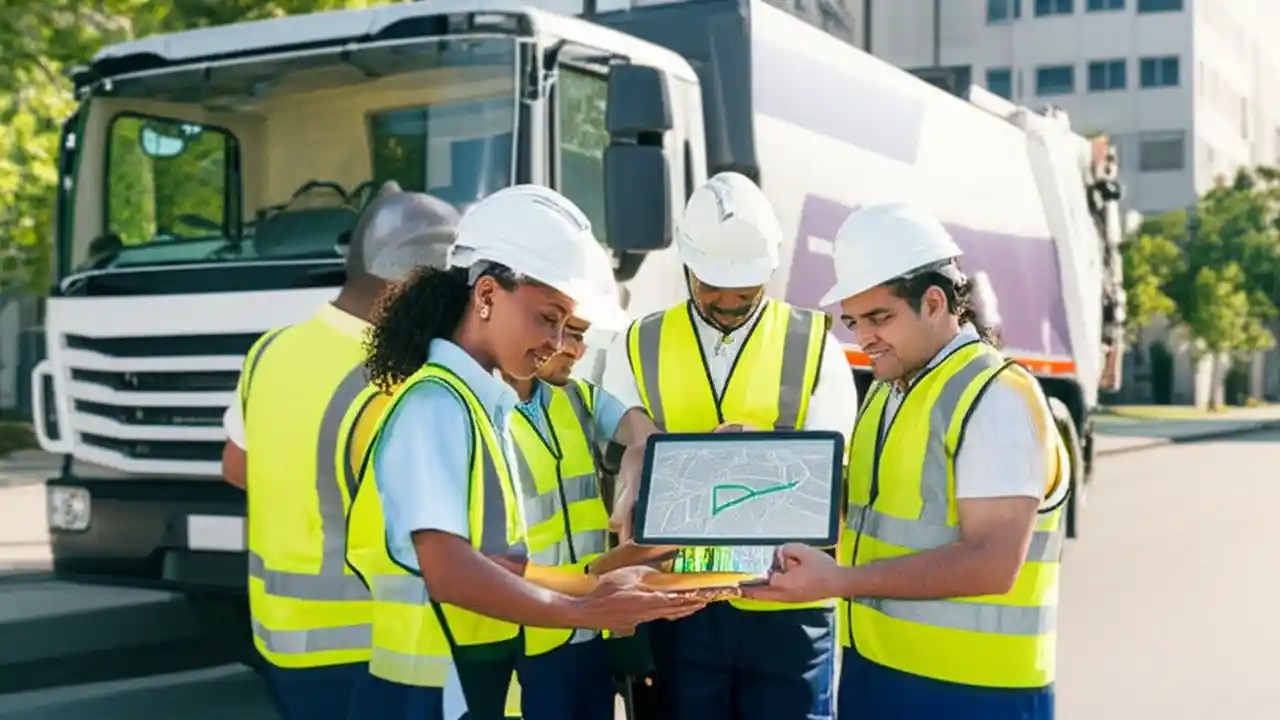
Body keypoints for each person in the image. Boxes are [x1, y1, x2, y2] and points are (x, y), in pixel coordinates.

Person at [343, 184, 706, 720]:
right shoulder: (435, 406)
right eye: (547, 318)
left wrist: (603, 582)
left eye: (568, 325)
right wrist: (587, 605)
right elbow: (450, 572)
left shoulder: (480, 403)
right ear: (487, 295)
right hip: (428, 690)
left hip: (472, 682)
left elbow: (504, 566)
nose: (561, 344)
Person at [742, 202, 1070, 719]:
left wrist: (839, 582)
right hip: (877, 677)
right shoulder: (888, 391)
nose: (863, 336)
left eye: (880, 317)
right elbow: (863, 508)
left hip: (975, 696)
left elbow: (992, 563)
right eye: (853, 321)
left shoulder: (996, 396)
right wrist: (759, 461)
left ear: (935, 302)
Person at [601, 171, 859, 720]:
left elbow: (833, 478)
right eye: (711, 285)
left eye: (742, 290)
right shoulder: (640, 341)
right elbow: (614, 442)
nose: (725, 301)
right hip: (676, 602)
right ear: (688, 266)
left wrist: (759, 454)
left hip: (785, 603)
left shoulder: (815, 346)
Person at [220, 183, 460, 720]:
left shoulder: (270, 350)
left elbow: (237, 468)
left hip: (280, 642)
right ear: (408, 283)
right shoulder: (401, 378)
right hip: (377, 650)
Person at [499, 305, 666, 720]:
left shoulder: (576, 397)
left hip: (589, 625)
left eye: (579, 336)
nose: (575, 350)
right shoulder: (483, 413)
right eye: (569, 334)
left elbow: (638, 429)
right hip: (527, 632)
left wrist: (654, 451)